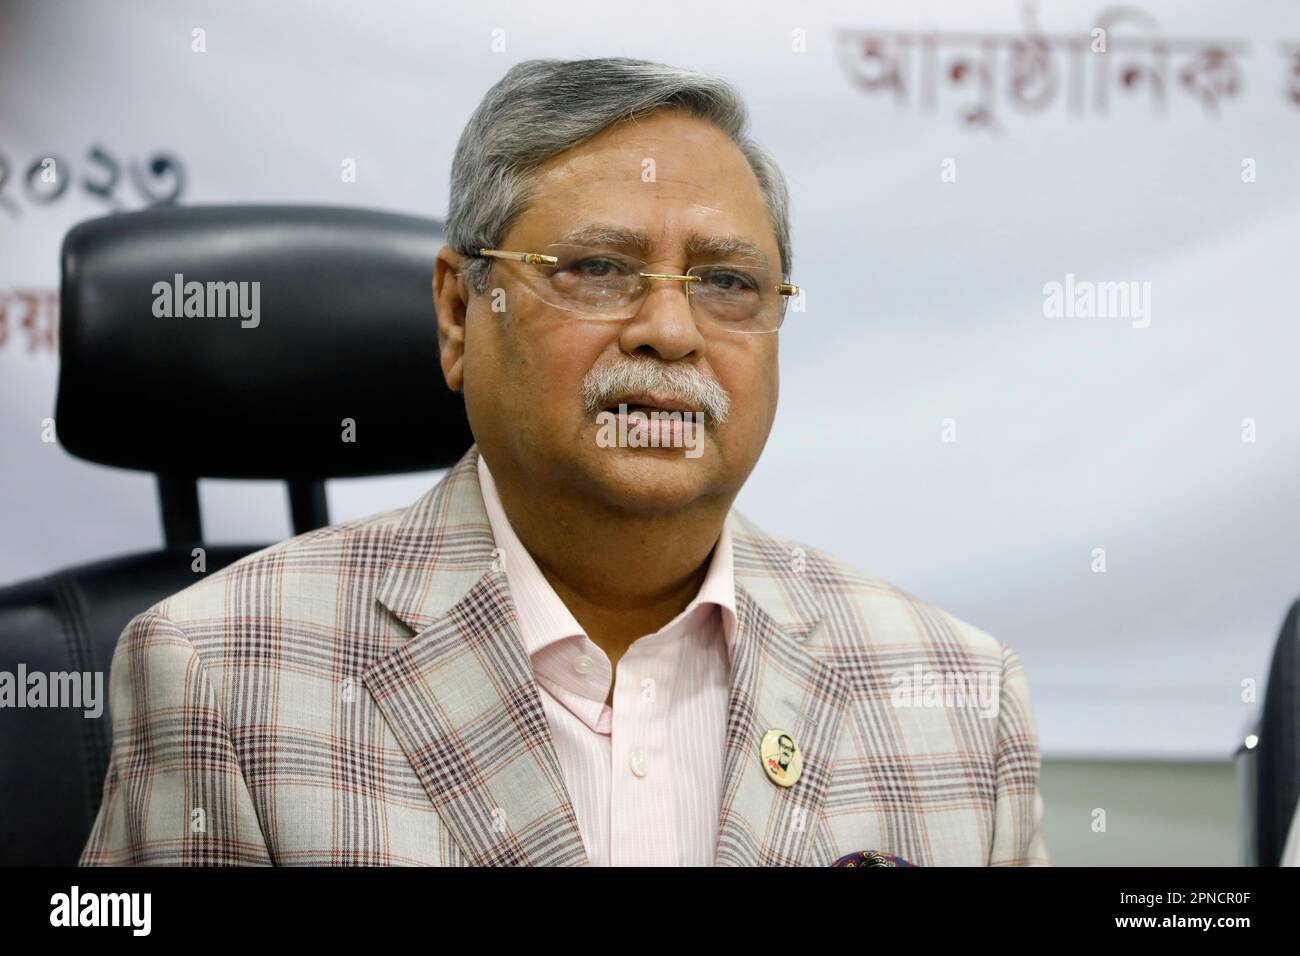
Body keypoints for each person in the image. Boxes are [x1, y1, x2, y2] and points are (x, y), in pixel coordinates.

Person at [81, 57, 1048, 867]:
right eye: (597, 270)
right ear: (461, 313)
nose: (671, 332)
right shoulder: (222, 674)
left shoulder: (961, 695)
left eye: (726, 283)